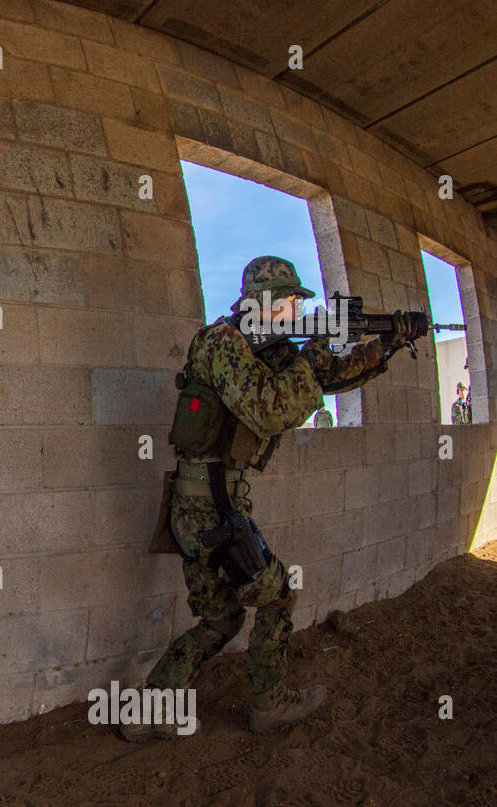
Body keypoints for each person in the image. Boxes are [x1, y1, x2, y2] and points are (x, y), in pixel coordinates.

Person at [135, 256, 417, 740]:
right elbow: (270, 409)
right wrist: (311, 353)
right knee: (279, 595)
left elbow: (330, 379)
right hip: (210, 508)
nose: (296, 309)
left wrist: (386, 343)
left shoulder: (269, 351)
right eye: (290, 301)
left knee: (222, 619)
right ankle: (271, 705)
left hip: (205, 504)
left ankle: (145, 712)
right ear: (263, 302)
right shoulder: (223, 342)